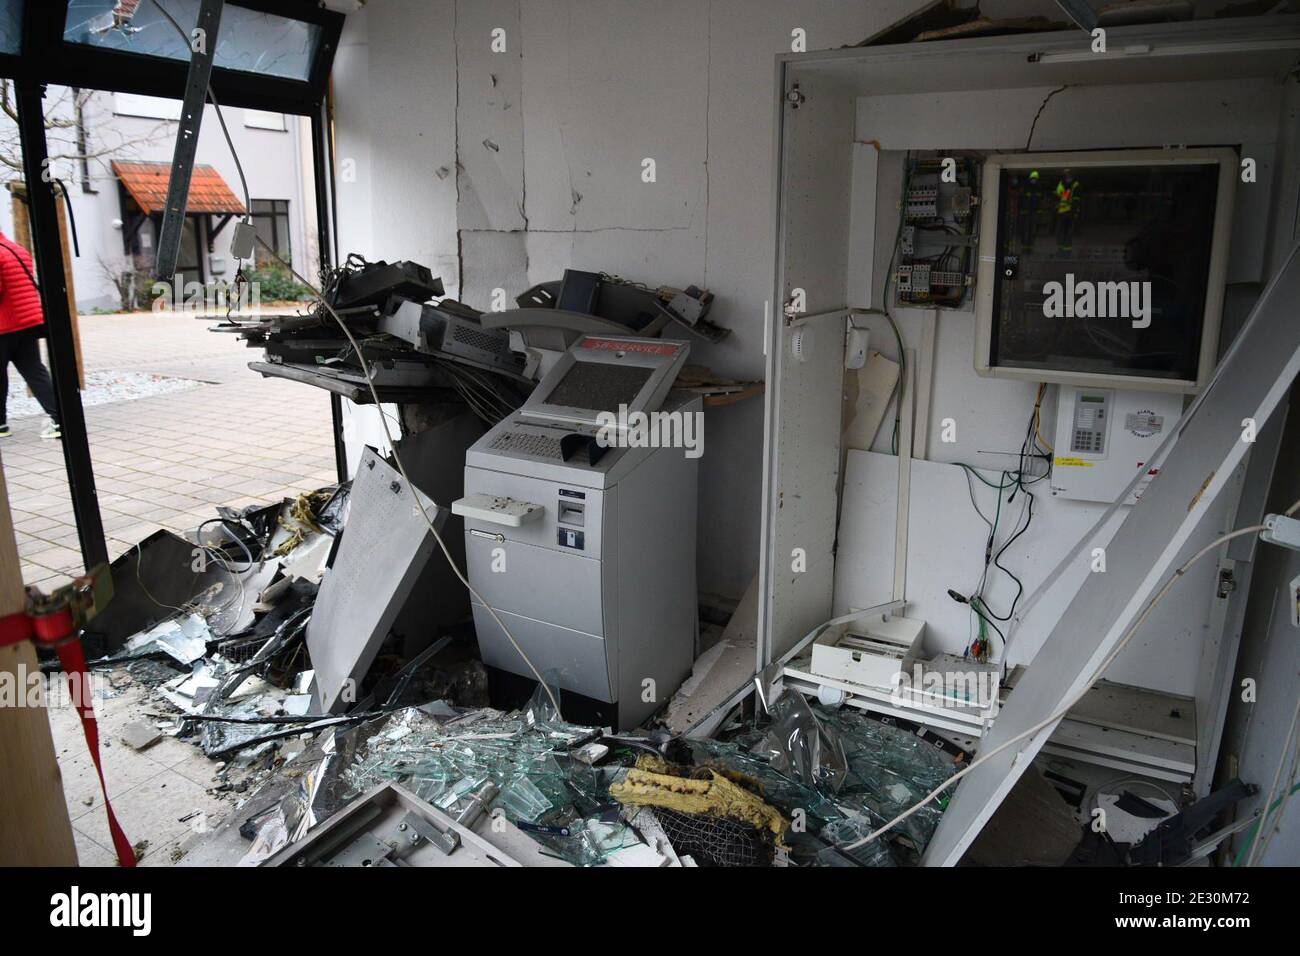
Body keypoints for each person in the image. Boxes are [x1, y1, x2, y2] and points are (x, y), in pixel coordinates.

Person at [0, 228, 60, 439]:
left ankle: (0, 425)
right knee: (34, 370)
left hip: (4, 325)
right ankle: (60, 418)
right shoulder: (15, 248)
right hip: (26, 323)